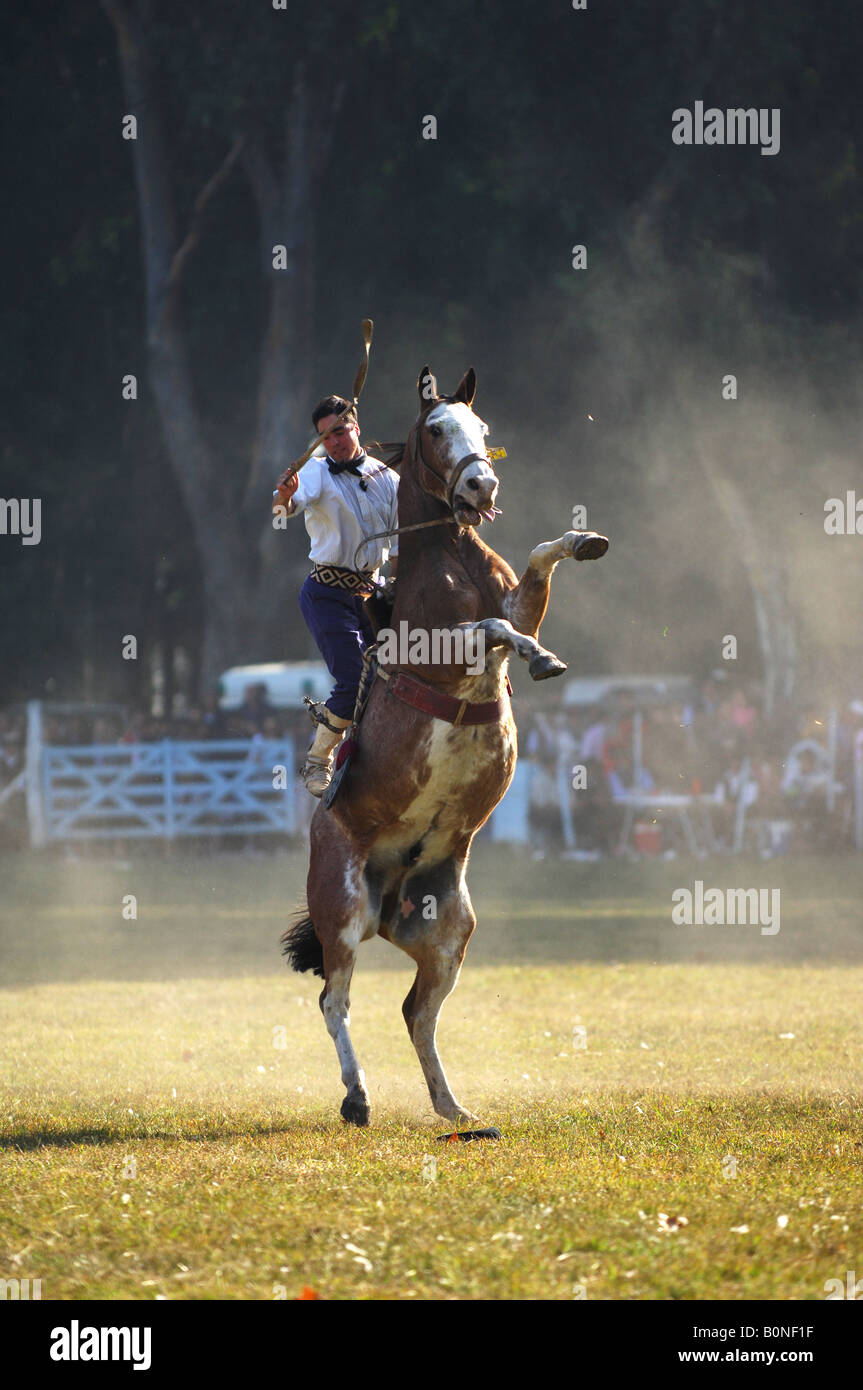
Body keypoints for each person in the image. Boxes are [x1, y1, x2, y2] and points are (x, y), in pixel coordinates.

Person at [273, 395, 399, 795]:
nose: (334, 442)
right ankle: (318, 759)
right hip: (327, 594)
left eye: (340, 432)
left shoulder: (389, 479)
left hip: (375, 596)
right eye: (325, 436)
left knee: (402, 674)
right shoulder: (314, 472)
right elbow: (282, 513)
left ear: (356, 428)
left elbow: (398, 550)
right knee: (353, 677)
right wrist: (284, 495)